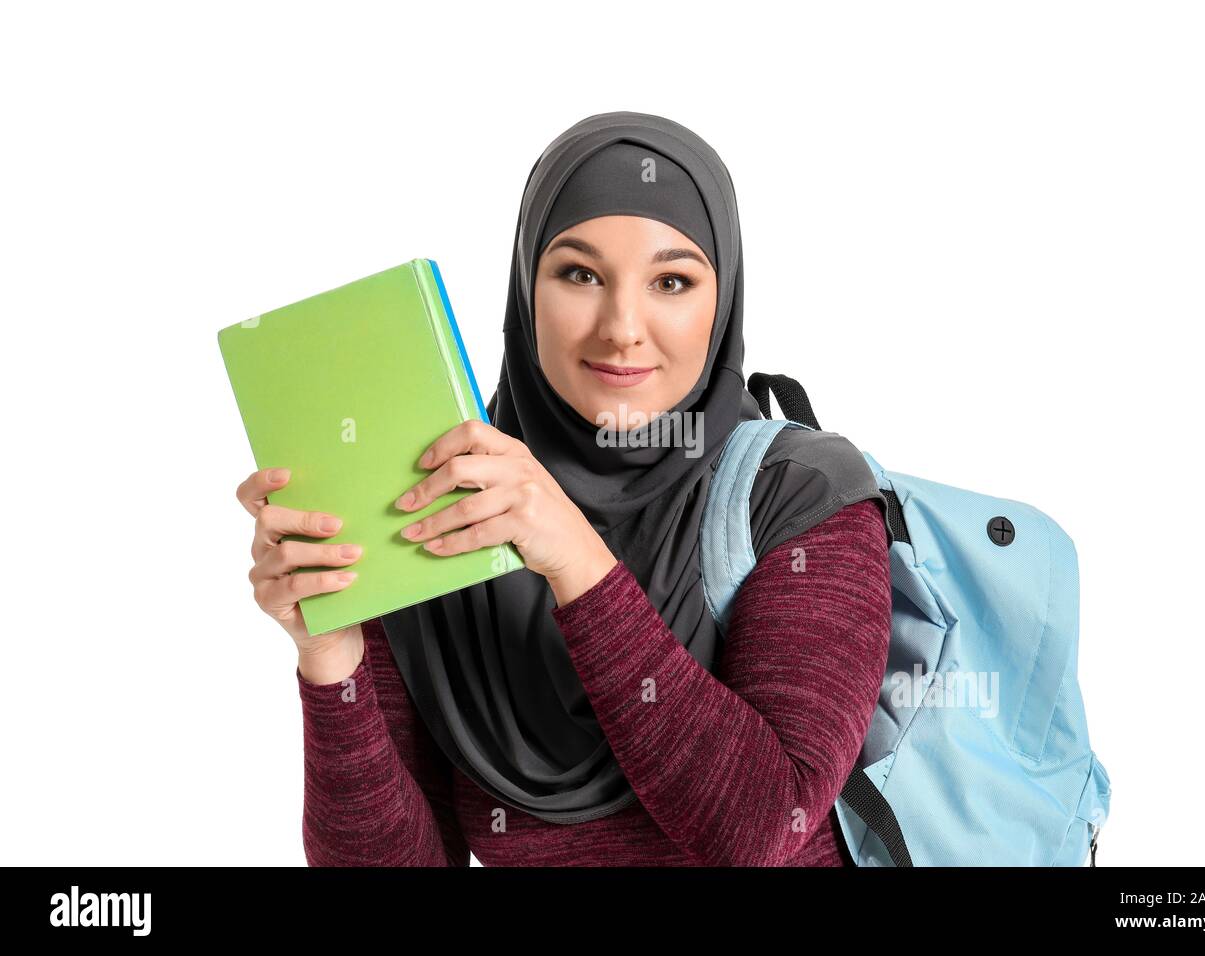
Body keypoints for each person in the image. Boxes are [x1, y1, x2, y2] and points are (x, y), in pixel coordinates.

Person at [235, 111, 893, 866]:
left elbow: (761, 827)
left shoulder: (802, 496)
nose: (621, 327)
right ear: (524, 290)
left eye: (671, 281)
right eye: (579, 274)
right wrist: (331, 656)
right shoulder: (445, 498)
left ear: (723, 303)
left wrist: (576, 562)